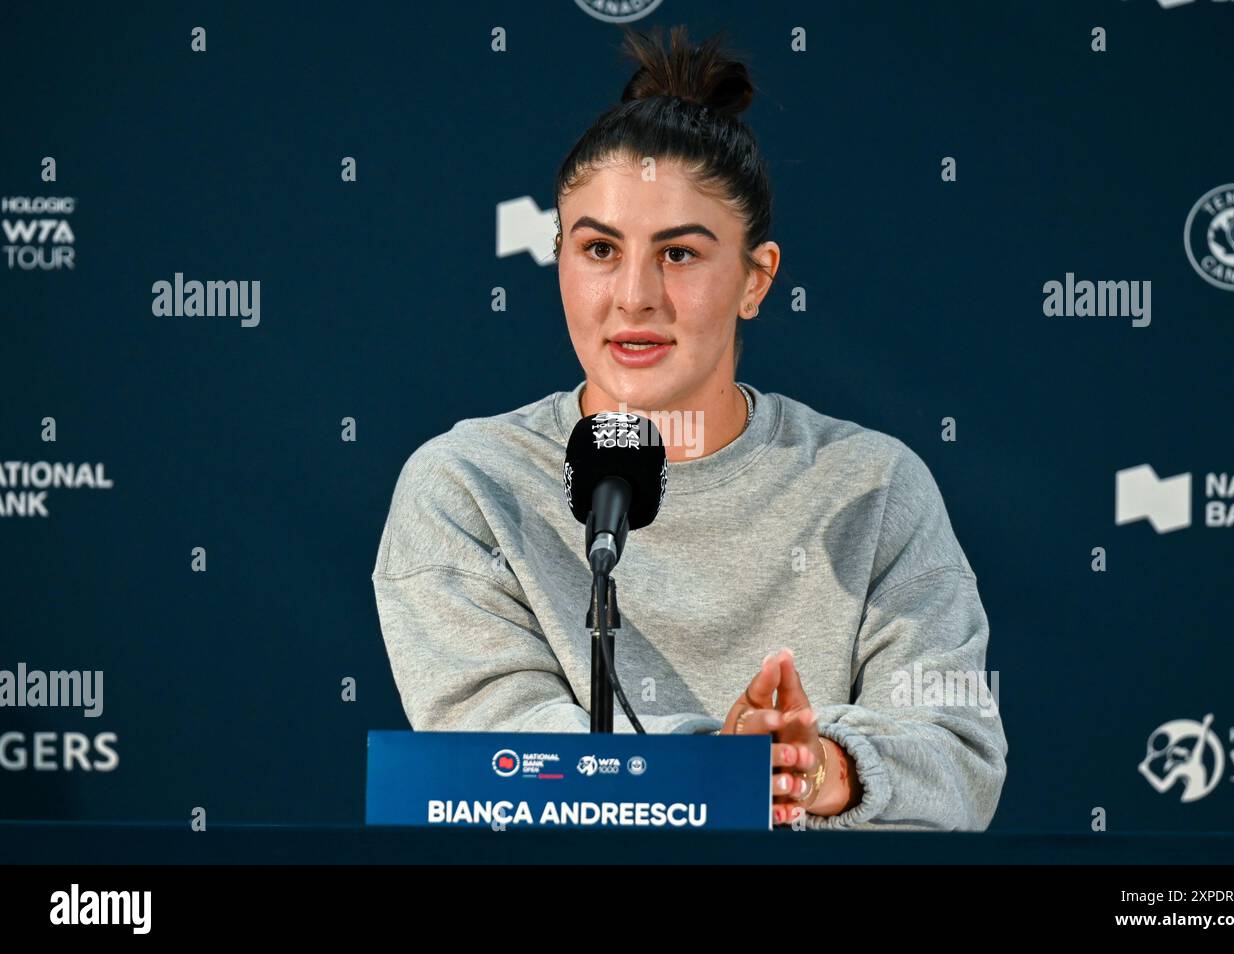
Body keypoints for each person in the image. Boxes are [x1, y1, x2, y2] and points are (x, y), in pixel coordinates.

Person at [372, 25, 1007, 831]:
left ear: (757, 279)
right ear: (559, 259)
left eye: (678, 255)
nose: (634, 296)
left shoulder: (872, 486)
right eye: (599, 248)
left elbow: (956, 751)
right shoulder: (467, 485)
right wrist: (723, 771)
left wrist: (817, 770)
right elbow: (503, 757)